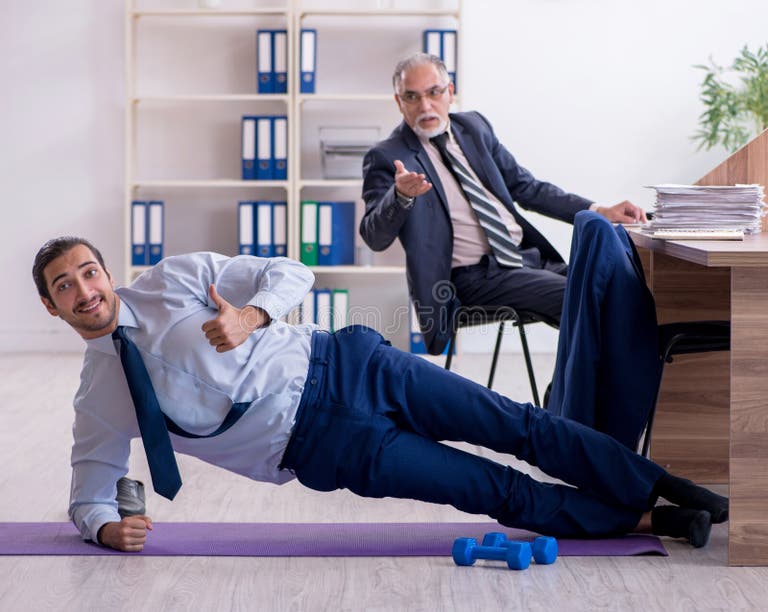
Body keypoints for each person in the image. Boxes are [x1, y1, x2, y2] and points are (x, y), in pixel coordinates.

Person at [33, 237, 726, 552]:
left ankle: (662, 483)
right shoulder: (99, 397)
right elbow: (88, 490)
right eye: (66, 285)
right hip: (331, 446)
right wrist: (103, 526)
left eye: (89, 271)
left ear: (106, 269)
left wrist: (252, 314)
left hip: (352, 364)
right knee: (491, 490)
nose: (86, 290)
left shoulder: (172, 279)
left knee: (516, 424)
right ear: (50, 306)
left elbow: (290, 269)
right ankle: (646, 522)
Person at [360, 53, 648, 356]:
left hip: (526, 260)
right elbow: (374, 237)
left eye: (434, 92)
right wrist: (401, 195)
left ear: (450, 91)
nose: (425, 106)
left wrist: (599, 210)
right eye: (412, 97)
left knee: (620, 286)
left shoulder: (473, 127)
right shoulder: (387, 157)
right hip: (471, 277)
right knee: (579, 297)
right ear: (398, 101)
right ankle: (578, 399)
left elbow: (527, 187)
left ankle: (572, 394)